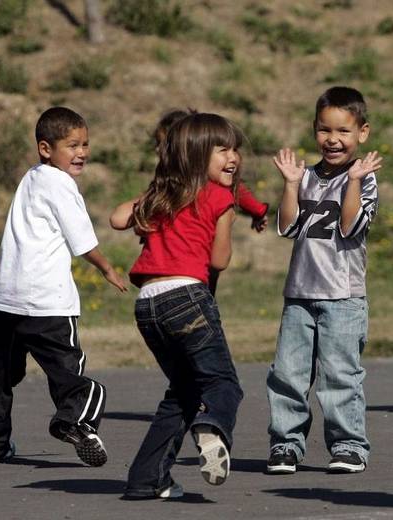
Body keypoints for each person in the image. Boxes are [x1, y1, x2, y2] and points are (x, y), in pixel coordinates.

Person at [0, 106, 128, 467]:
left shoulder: (31, 177)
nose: (82, 152)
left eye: (85, 144)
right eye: (72, 145)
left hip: (9, 300)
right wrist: (107, 269)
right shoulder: (61, 184)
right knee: (66, 370)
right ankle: (76, 420)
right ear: (46, 148)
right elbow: (81, 239)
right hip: (48, 303)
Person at [111, 113, 244, 499]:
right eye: (222, 150)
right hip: (187, 297)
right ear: (197, 156)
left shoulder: (162, 195)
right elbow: (219, 261)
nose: (233, 157)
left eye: (234, 149)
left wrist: (153, 195)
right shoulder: (220, 197)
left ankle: (147, 477)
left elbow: (117, 218)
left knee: (183, 389)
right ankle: (213, 425)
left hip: (148, 304)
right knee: (222, 384)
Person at [265, 86, 382, 475]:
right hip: (300, 292)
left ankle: (349, 445)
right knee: (288, 374)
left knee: (339, 375)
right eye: (324, 130)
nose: (333, 139)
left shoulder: (364, 179)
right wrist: (290, 184)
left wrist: (352, 181)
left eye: (344, 131)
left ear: (362, 133)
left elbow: (350, 227)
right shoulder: (306, 176)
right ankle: (286, 445)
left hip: (343, 296)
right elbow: (285, 227)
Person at [151, 108, 270, 295]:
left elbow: (238, 189)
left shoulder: (213, 184)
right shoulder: (168, 181)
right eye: (157, 143)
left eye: (164, 143)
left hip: (196, 265)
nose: (159, 149)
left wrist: (258, 210)